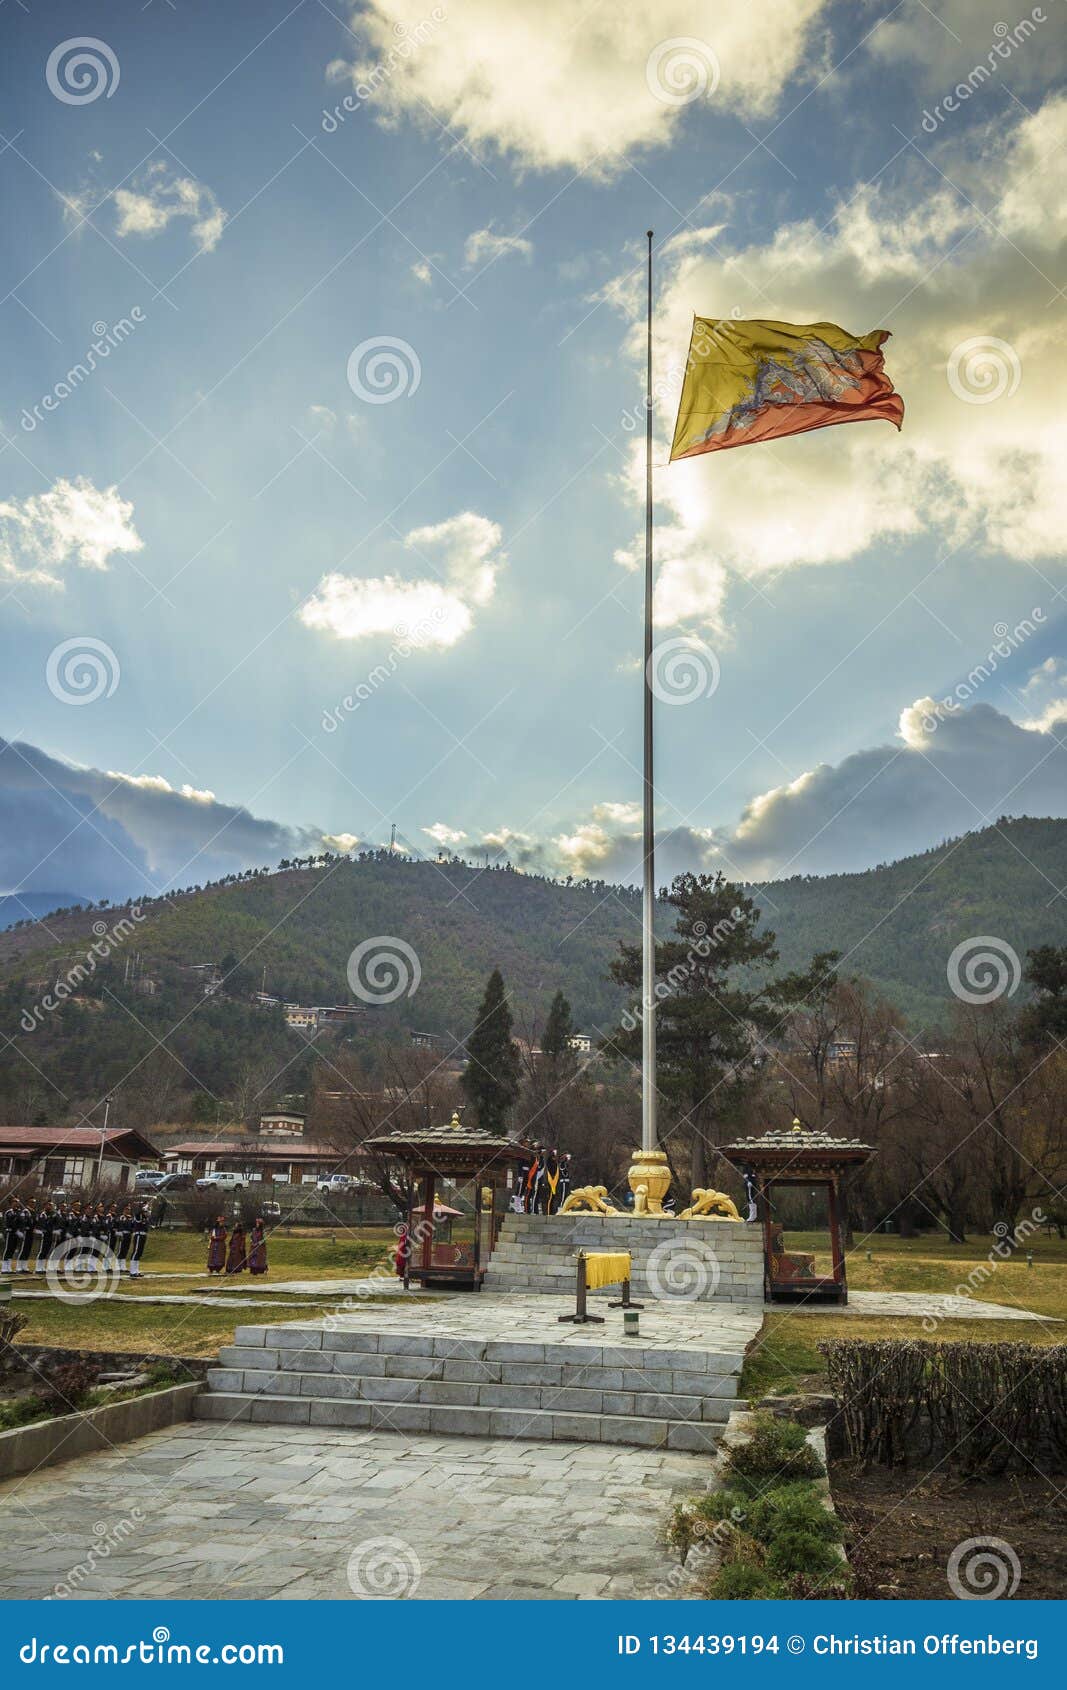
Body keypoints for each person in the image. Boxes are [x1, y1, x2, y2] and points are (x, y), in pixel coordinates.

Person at [34, 1203, 58, 1273]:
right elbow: (41, 1224)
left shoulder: (53, 1214)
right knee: (43, 1250)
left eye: (51, 1205)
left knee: (47, 1251)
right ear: (45, 1206)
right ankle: (38, 1268)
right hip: (45, 1234)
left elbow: (56, 1223)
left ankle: (42, 1267)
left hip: (50, 1234)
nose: (50, 1206)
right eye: (48, 1205)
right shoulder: (43, 1214)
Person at [127, 1207, 148, 1278]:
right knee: (136, 1252)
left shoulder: (145, 1218)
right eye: (145, 1211)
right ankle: (132, 1271)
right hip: (138, 1235)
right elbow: (137, 1215)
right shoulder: (138, 1216)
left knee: (139, 1253)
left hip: (143, 1235)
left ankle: (136, 1270)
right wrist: (142, 1209)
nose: (146, 1213)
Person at [1, 1194, 20, 1273]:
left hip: (16, 1233)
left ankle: (9, 1267)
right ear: (11, 1203)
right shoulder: (9, 1212)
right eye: (14, 1201)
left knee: (12, 1250)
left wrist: (20, 1230)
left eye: (17, 1202)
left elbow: (20, 1222)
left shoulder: (18, 1212)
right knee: (8, 1249)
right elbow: (8, 1223)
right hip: (10, 1232)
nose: (16, 1203)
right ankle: (4, 1268)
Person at [17, 1199, 36, 1273]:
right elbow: (22, 1221)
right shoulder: (25, 1211)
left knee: (28, 1249)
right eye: (31, 1202)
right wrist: (24, 1228)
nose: (33, 1204)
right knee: (23, 1249)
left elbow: (35, 1222)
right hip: (26, 1232)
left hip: (31, 1232)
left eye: (34, 1202)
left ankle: (24, 1267)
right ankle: (19, 1267)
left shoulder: (33, 1211)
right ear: (28, 1203)